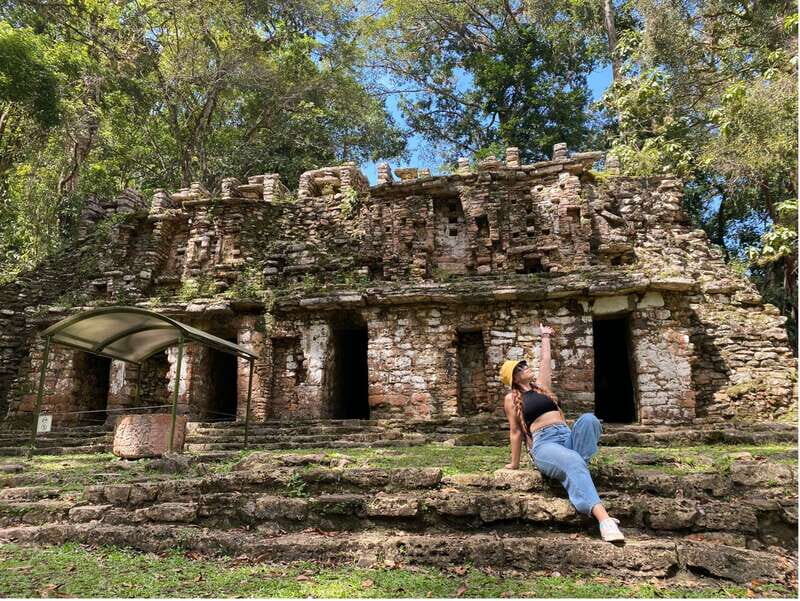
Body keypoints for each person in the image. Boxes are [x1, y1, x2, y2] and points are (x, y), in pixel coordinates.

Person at [499, 323, 624, 543]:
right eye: (519, 368)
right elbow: (516, 432)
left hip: (566, 436)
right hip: (544, 445)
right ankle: (604, 519)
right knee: (573, 459)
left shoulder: (541, 388)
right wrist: (514, 464)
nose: (525, 367)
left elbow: (546, 363)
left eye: (525, 364)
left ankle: (576, 469)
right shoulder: (511, 399)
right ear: (514, 379)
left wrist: (545, 336)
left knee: (589, 419)